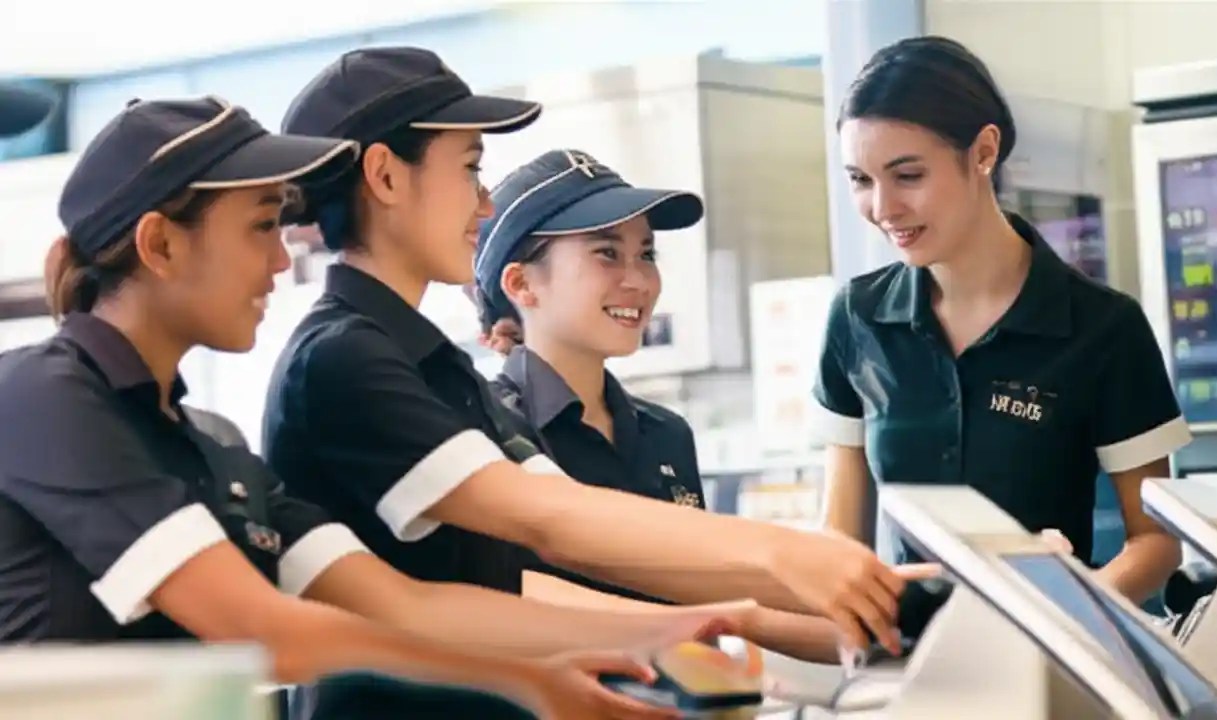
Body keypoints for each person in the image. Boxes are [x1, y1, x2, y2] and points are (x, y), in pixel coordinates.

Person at [0, 94, 749, 720]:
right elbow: (263, 629)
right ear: (161, 245)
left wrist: (655, 632)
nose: (280, 260)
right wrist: (523, 677)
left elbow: (402, 604)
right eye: (261, 227)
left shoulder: (210, 445)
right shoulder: (42, 398)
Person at [265, 47, 910, 687]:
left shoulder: (434, 366)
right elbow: (546, 527)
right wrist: (776, 561)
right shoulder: (342, 357)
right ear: (384, 177)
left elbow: (571, 526)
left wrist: (826, 594)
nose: (483, 205)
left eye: (646, 253)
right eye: (470, 169)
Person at [813, 36, 1189, 606]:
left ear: (984, 152)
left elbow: (1156, 541)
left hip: (1056, 649)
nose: (883, 208)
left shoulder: (1104, 327)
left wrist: (1068, 618)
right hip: (910, 653)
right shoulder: (856, 318)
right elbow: (841, 544)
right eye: (861, 180)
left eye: (908, 175)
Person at [473, 149, 864, 665]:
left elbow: (711, 595)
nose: (638, 280)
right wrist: (731, 616)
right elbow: (506, 598)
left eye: (647, 254)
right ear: (522, 284)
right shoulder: (484, 430)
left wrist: (880, 623)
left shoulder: (665, 433)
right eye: (607, 253)